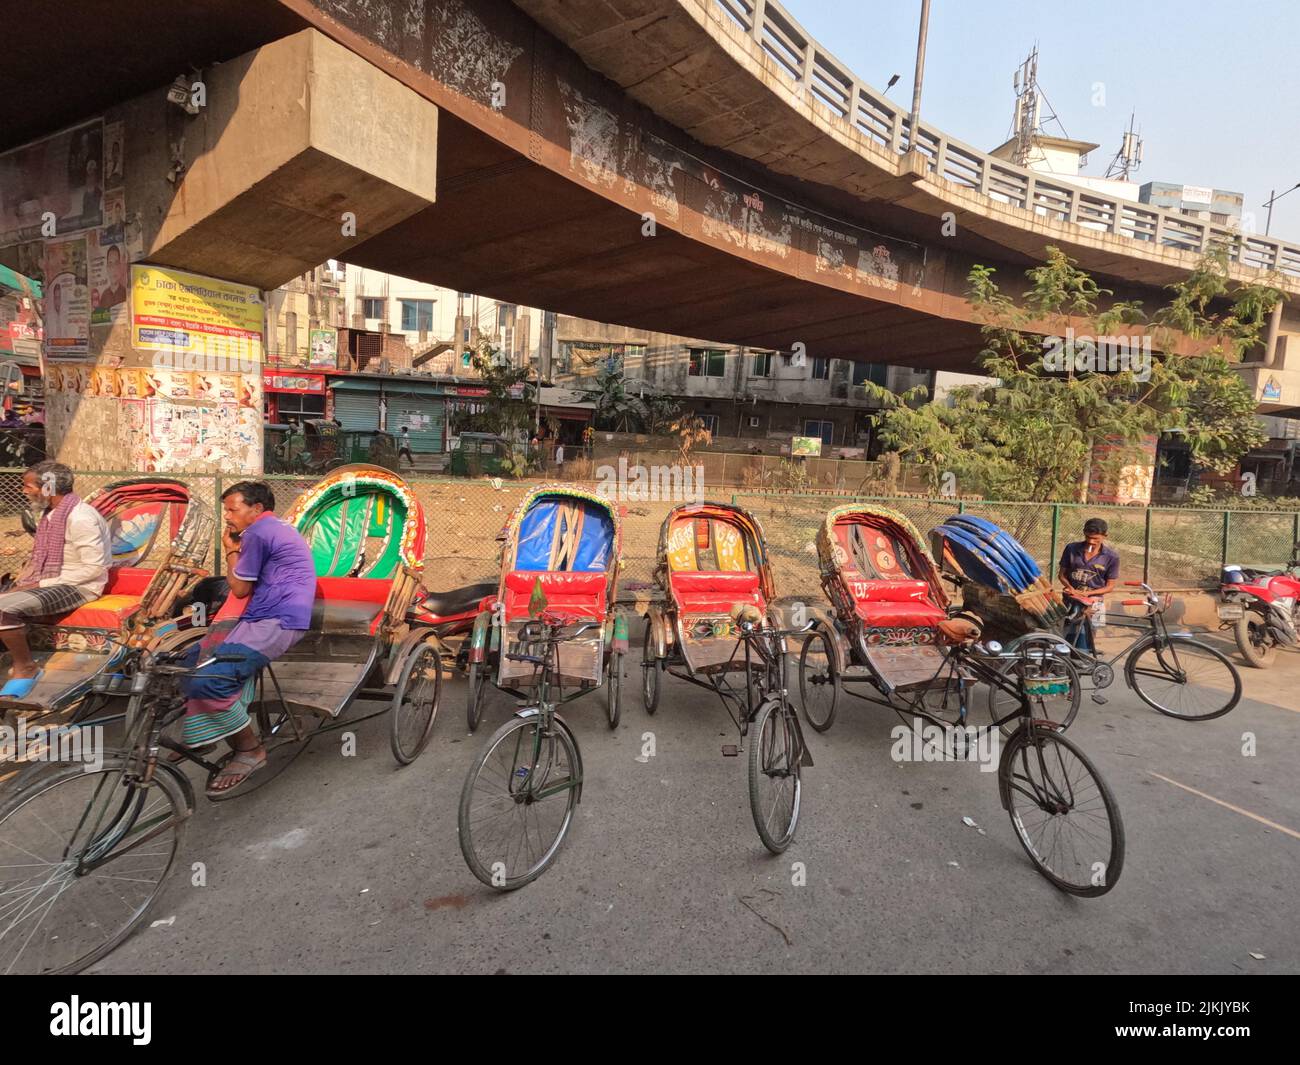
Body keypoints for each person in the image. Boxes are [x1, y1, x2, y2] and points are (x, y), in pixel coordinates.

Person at [176, 482, 315, 795]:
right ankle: (205, 735)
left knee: (208, 679)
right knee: (188, 663)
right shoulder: (273, 528)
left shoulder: (257, 533)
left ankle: (250, 750)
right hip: (263, 615)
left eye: (232, 509)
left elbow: (239, 588)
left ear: (256, 509)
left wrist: (230, 550)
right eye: (226, 509)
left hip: (279, 619)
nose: (227, 516)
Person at [0, 462, 112, 698]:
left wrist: (40, 584)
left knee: (2, 609)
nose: (24, 491)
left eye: (28, 486)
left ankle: (26, 667)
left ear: (48, 487)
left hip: (80, 587)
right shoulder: (51, 514)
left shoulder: (80, 518)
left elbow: (94, 568)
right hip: (53, 581)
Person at [1058, 517, 1120, 653]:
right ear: (1084, 533)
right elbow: (1061, 575)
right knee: (1065, 637)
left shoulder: (1111, 557)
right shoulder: (1071, 549)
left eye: (1096, 539)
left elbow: (1110, 586)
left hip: (1095, 602)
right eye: (1088, 537)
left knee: (1089, 636)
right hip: (1070, 600)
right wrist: (1070, 587)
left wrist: (1087, 594)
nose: (1091, 541)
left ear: (1105, 536)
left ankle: (1084, 660)